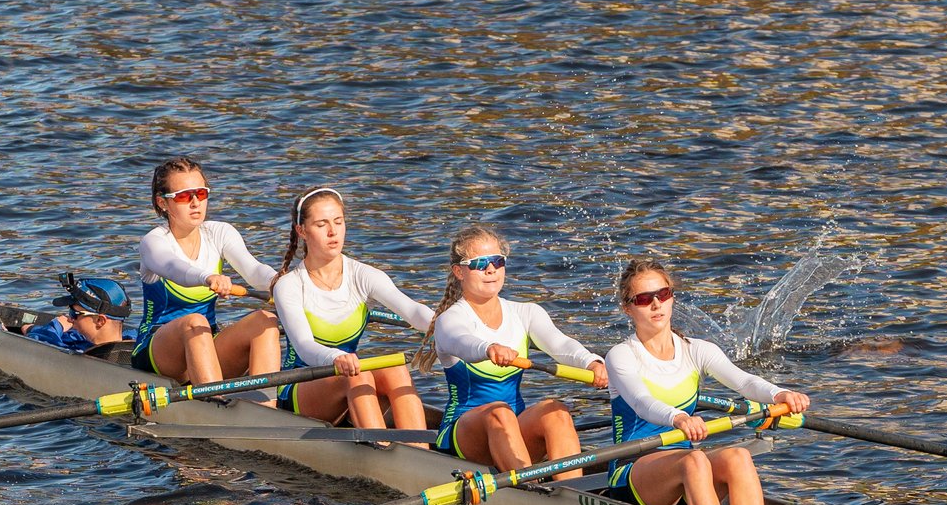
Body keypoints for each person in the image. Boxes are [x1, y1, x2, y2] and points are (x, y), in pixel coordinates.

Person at [599, 256, 810, 505]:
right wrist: (679, 418)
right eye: (645, 299)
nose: (656, 304)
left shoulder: (697, 350)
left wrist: (779, 395)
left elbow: (745, 382)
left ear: (672, 297)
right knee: (695, 459)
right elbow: (642, 402)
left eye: (663, 294)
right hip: (633, 474)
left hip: (685, 469)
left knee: (738, 456)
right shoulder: (621, 355)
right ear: (628, 308)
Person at [423, 225, 607, 471]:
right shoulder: (450, 320)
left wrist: (591, 362)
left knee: (556, 411)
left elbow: (560, 343)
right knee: (499, 412)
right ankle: (528, 490)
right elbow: (461, 341)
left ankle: (568, 494)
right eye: (479, 263)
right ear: (459, 271)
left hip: (513, 429)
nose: (491, 269)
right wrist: (489, 348)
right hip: (463, 435)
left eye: (498, 261)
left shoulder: (526, 312)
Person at [270, 186, 436, 432]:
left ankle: (417, 450)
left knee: (396, 369)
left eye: (338, 221)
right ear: (301, 231)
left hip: (349, 374)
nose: (332, 231)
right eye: (321, 224)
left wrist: (444, 328)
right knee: (357, 374)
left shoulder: (364, 275)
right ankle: (379, 449)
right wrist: (335, 358)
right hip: (300, 385)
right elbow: (305, 347)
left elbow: (412, 311)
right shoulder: (289, 285)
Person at [132, 159, 280, 384]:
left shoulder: (220, 232)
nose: (195, 202)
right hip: (157, 349)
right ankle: (214, 400)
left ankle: (265, 408)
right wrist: (207, 277)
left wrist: (280, 282)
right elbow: (174, 268)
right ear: (162, 203)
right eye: (183, 196)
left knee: (265, 320)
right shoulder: (153, 242)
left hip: (207, 342)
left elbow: (253, 270)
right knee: (196, 321)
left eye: (201, 193)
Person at [23, 273, 132, 358]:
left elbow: (36, 341)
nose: (70, 319)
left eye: (74, 314)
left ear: (100, 320)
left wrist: (57, 325)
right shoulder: (135, 342)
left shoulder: (78, 353)